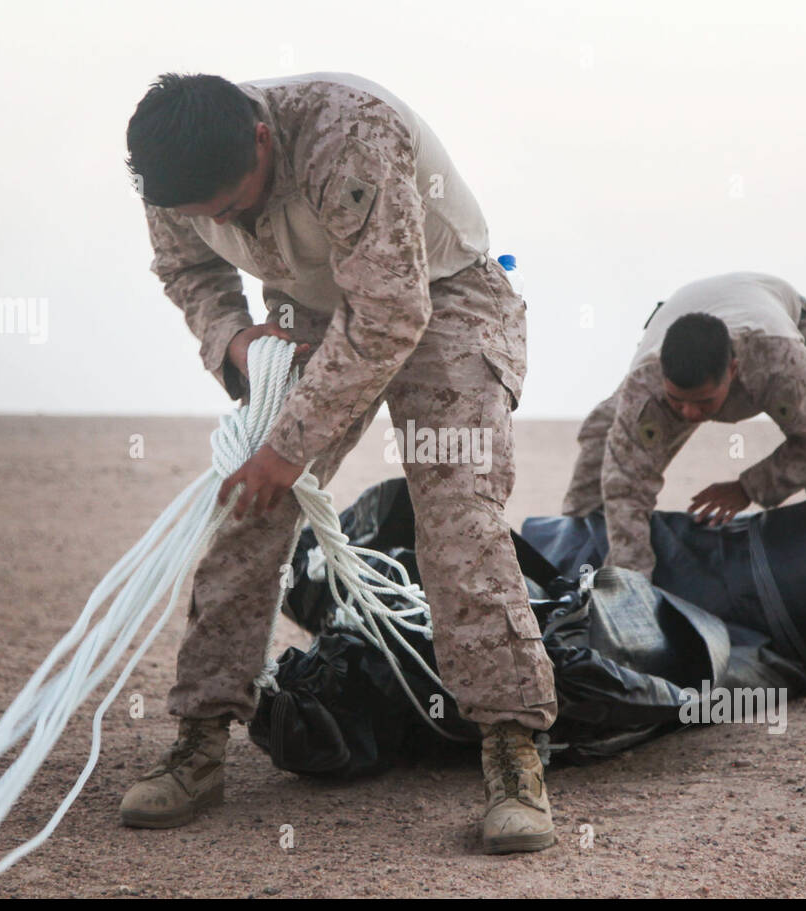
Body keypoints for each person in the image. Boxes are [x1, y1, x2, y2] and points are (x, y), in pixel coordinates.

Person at [120, 71, 557, 853]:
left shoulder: (347, 134)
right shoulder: (170, 174)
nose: (228, 222)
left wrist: (289, 447)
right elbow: (189, 271)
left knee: (457, 516)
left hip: (442, 298)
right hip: (310, 310)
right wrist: (232, 337)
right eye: (209, 214)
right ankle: (201, 738)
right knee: (246, 505)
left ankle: (512, 750)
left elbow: (392, 311)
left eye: (234, 202)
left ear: (261, 138)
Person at [561, 271, 806, 691]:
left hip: (784, 318)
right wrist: (632, 593)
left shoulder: (782, 364)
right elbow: (627, 486)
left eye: (702, 403)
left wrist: (748, 487)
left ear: (733, 371)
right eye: (677, 401)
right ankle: (573, 581)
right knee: (600, 450)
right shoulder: (647, 386)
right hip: (685, 316)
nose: (690, 414)